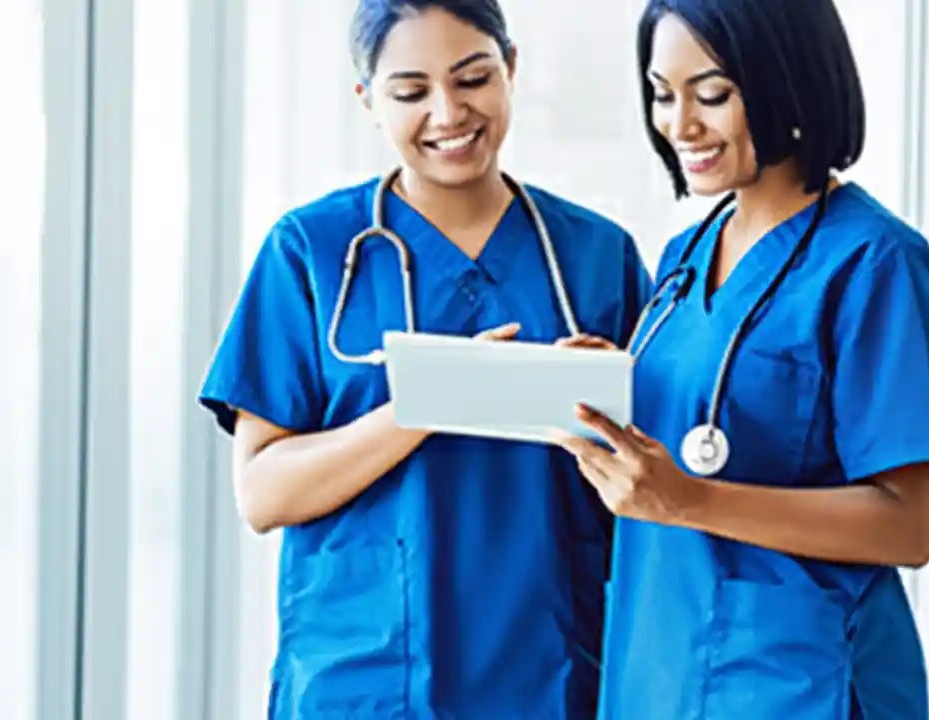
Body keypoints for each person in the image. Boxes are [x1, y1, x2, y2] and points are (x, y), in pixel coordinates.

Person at [199, 0, 650, 716]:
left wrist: (613, 400)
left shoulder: (595, 258)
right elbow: (262, 493)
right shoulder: (313, 251)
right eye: (410, 91)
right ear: (367, 101)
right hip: (363, 682)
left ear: (511, 70)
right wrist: (432, 401)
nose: (448, 112)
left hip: (549, 675)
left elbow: (652, 489)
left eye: (473, 78)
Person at [552, 2, 929, 718]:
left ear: (786, 79)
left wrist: (691, 500)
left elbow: (910, 525)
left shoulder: (874, 261)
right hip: (659, 666)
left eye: (711, 95)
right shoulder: (683, 261)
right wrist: (613, 387)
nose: (679, 125)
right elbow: (712, 417)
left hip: (795, 682)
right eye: (661, 94)